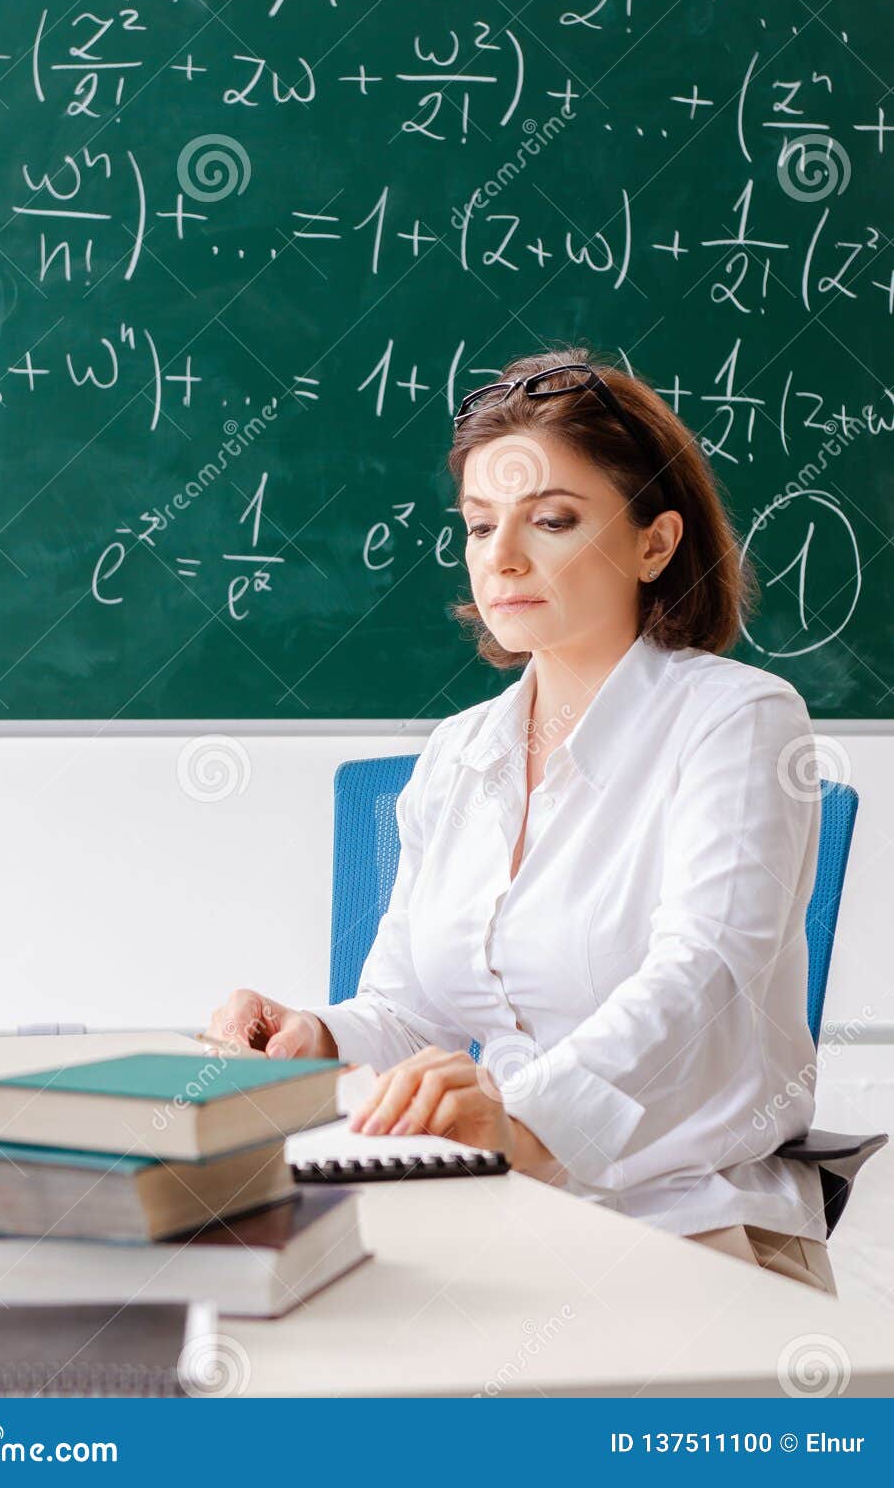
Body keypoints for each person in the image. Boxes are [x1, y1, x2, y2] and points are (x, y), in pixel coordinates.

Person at [212, 345, 836, 1297]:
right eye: (478, 525)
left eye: (551, 521)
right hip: (490, 1206)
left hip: (694, 1219)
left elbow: (703, 972)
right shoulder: (458, 753)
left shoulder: (739, 720)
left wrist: (518, 1116)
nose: (501, 557)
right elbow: (410, 1008)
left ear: (655, 544)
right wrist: (318, 1036)